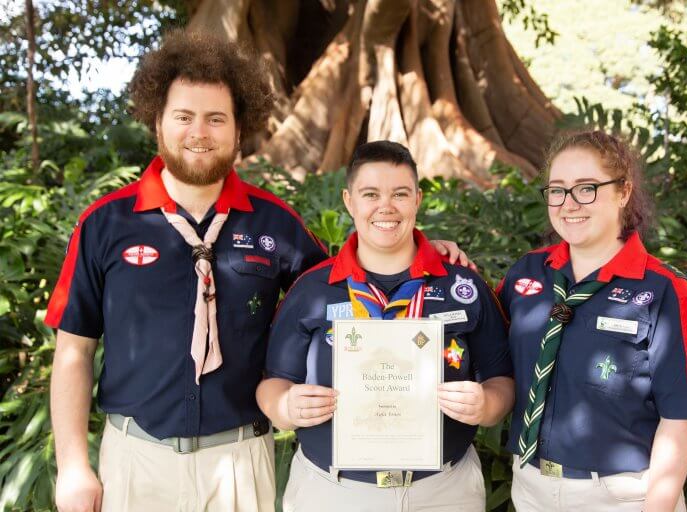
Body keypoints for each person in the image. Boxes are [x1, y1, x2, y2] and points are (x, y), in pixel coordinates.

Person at [46, 32, 468, 512]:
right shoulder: (105, 223)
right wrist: (74, 466)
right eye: (183, 116)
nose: (199, 132)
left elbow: (350, 284)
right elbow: (74, 352)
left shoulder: (276, 224)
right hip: (137, 460)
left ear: (239, 129)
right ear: (157, 122)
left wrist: (416, 250)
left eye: (215, 119)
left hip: (241, 461)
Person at [256, 140, 515, 512]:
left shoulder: (463, 287)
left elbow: (501, 377)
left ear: (417, 199)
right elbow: (273, 380)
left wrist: (488, 404)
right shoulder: (312, 288)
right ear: (349, 201)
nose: (386, 207)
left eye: (400, 193)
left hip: (444, 491)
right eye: (370, 194)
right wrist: (284, 406)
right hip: (333, 491)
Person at [497, 130, 687, 511]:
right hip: (531, 489)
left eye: (587, 188)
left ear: (624, 192)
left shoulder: (664, 290)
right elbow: (482, 347)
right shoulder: (525, 274)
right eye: (558, 189)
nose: (569, 204)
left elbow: (679, 420)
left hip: (623, 496)